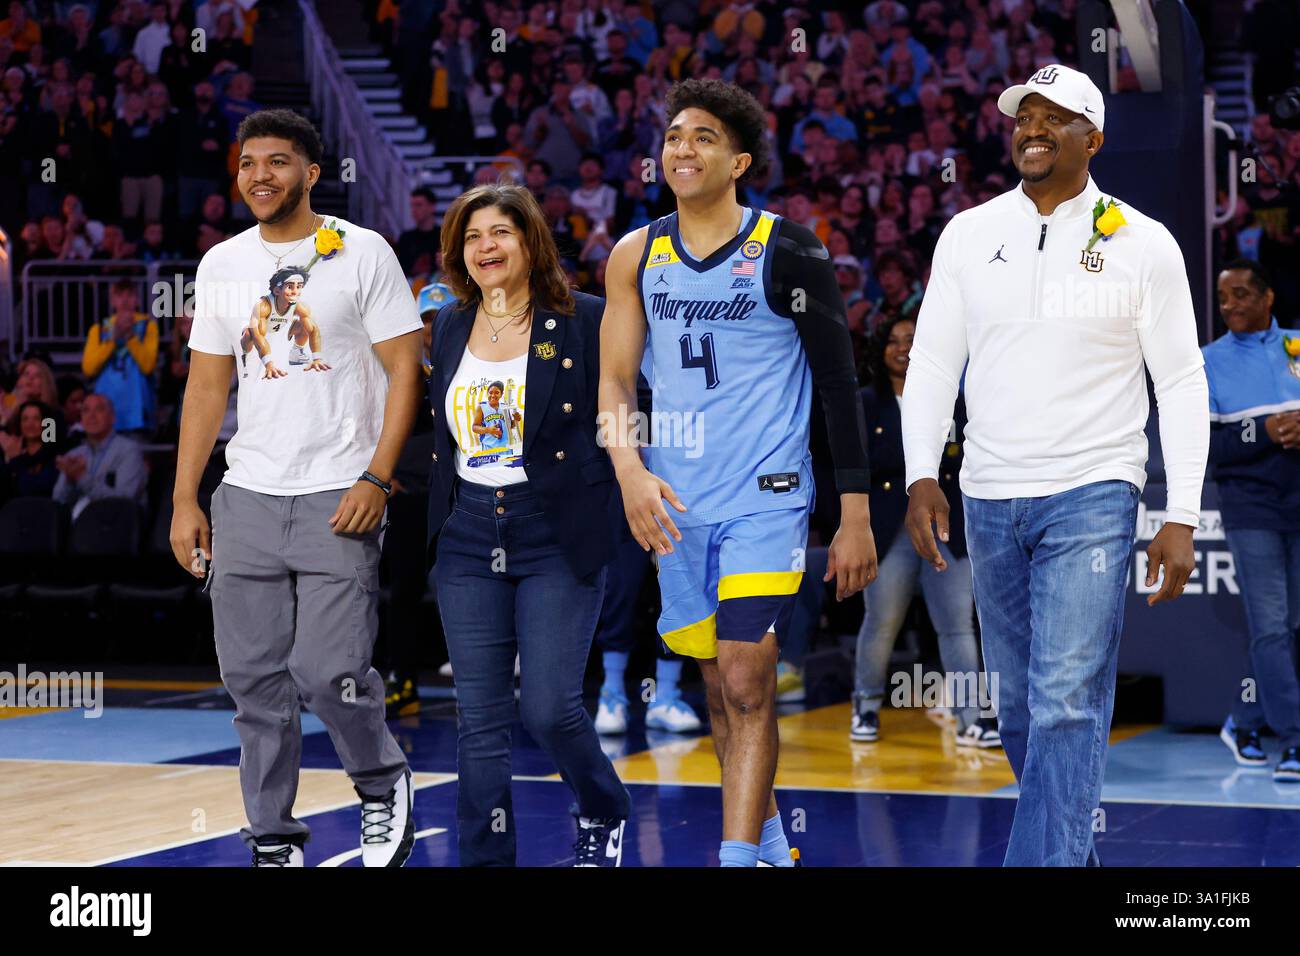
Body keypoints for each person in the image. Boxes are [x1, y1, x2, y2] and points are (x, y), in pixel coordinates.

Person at [901, 65, 1210, 866]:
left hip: (1094, 492)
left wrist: (1179, 514)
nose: (1031, 128)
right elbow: (934, 364)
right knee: (1023, 715)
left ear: (1093, 138)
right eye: (1023, 116)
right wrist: (921, 474)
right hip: (990, 496)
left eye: (1053, 117)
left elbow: (1179, 381)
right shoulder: (969, 232)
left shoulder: (1144, 242)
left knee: (1068, 701)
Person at [600, 78, 877, 868]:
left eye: (705, 137)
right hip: (675, 502)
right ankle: (767, 841)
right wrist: (628, 470)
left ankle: (733, 860)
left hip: (768, 496)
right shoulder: (635, 253)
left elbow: (836, 385)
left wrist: (853, 514)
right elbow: (616, 381)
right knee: (722, 686)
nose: (683, 148)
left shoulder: (790, 248)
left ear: (740, 160)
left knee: (750, 678)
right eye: (675, 135)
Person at [171, 109, 423, 868]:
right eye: (248, 163)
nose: (260, 176)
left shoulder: (361, 251)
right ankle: (273, 836)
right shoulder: (221, 264)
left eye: (278, 162)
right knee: (251, 681)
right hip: (246, 493)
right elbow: (208, 388)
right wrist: (187, 497)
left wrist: (380, 476)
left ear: (311, 174)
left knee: (327, 671)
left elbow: (406, 368)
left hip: (338, 493)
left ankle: (382, 782)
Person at [426, 181, 631, 866]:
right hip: (469, 533)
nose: (486, 247)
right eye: (472, 236)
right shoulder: (450, 324)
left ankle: (604, 807)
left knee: (548, 710)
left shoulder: (585, 318)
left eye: (500, 233)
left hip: (556, 532)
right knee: (480, 725)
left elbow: (626, 409)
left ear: (529, 240)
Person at [851, 316, 1000, 747]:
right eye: (893, 341)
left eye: (911, 340)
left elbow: (965, 458)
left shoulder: (951, 399)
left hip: (944, 527)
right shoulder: (864, 402)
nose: (902, 348)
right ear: (880, 350)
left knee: (957, 625)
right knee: (881, 622)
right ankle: (865, 706)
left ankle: (974, 717)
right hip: (889, 527)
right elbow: (859, 466)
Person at [1203, 259, 1300, 782]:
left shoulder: (1297, 348)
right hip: (1252, 507)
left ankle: (1247, 719)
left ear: (1267, 300)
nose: (1231, 306)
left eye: (1241, 295)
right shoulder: (1208, 361)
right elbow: (1212, 445)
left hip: (1299, 499)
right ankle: (1293, 741)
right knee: (1271, 627)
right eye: (1223, 299)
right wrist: (1267, 432)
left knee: (1293, 627)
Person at [81, 279, 158, 434]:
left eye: (129, 295)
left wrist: (130, 337)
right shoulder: (99, 329)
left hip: (137, 411)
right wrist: (112, 341)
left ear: (137, 300)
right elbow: (89, 369)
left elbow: (148, 366)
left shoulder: (149, 326)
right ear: (112, 301)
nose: (124, 300)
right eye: (119, 295)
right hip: (105, 410)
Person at [52, 393, 147, 518]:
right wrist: (69, 479)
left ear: (112, 417)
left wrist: (81, 477)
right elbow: (58, 501)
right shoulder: (75, 454)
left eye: (99, 409)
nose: (91, 416)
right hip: (78, 525)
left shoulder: (129, 450)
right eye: (86, 410)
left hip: (115, 525)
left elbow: (124, 501)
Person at [0, 400, 60, 499]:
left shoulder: (54, 456)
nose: (30, 424)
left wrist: (15, 460)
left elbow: (34, 490)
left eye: (36, 418)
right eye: (25, 419)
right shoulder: (13, 451)